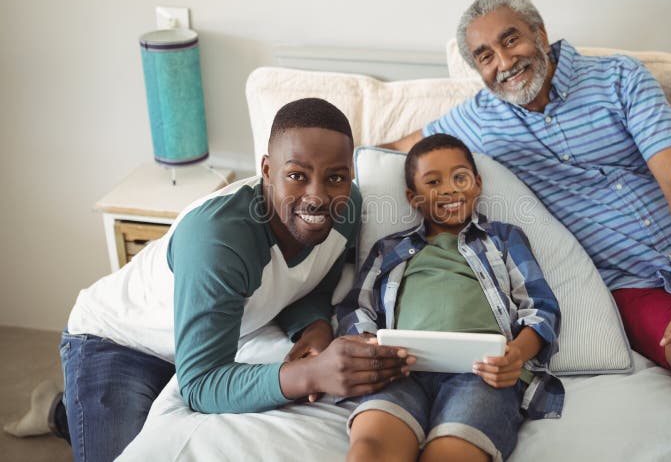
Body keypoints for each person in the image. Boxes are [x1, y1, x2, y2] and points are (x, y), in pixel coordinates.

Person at [385, 0, 671, 430]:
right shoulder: (477, 120)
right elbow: (388, 151)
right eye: (485, 56)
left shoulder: (619, 76)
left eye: (512, 40)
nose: (504, 62)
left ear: (540, 34)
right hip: (632, 285)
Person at [5, 98, 413, 462]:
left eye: (336, 177)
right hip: (120, 344)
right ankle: (61, 410)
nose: (318, 195)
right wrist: (312, 374)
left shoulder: (349, 207)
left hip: (214, 336)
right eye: (297, 175)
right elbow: (200, 384)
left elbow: (315, 281)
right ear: (267, 170)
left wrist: (315, 324)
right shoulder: (220, 238)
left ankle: (67, 412)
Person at [337, 134, 562, 462]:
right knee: (369, 450)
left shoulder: (503, 238)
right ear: (413, 198)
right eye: (433, 182)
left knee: (452, 453)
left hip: (482, 374)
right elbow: (356, 308)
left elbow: (541, 308)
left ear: (478, 183)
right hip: (399, 371)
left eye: (460, 177)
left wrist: (515, 355)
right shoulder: (388, 249)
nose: (449, 189)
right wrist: (370, 346)